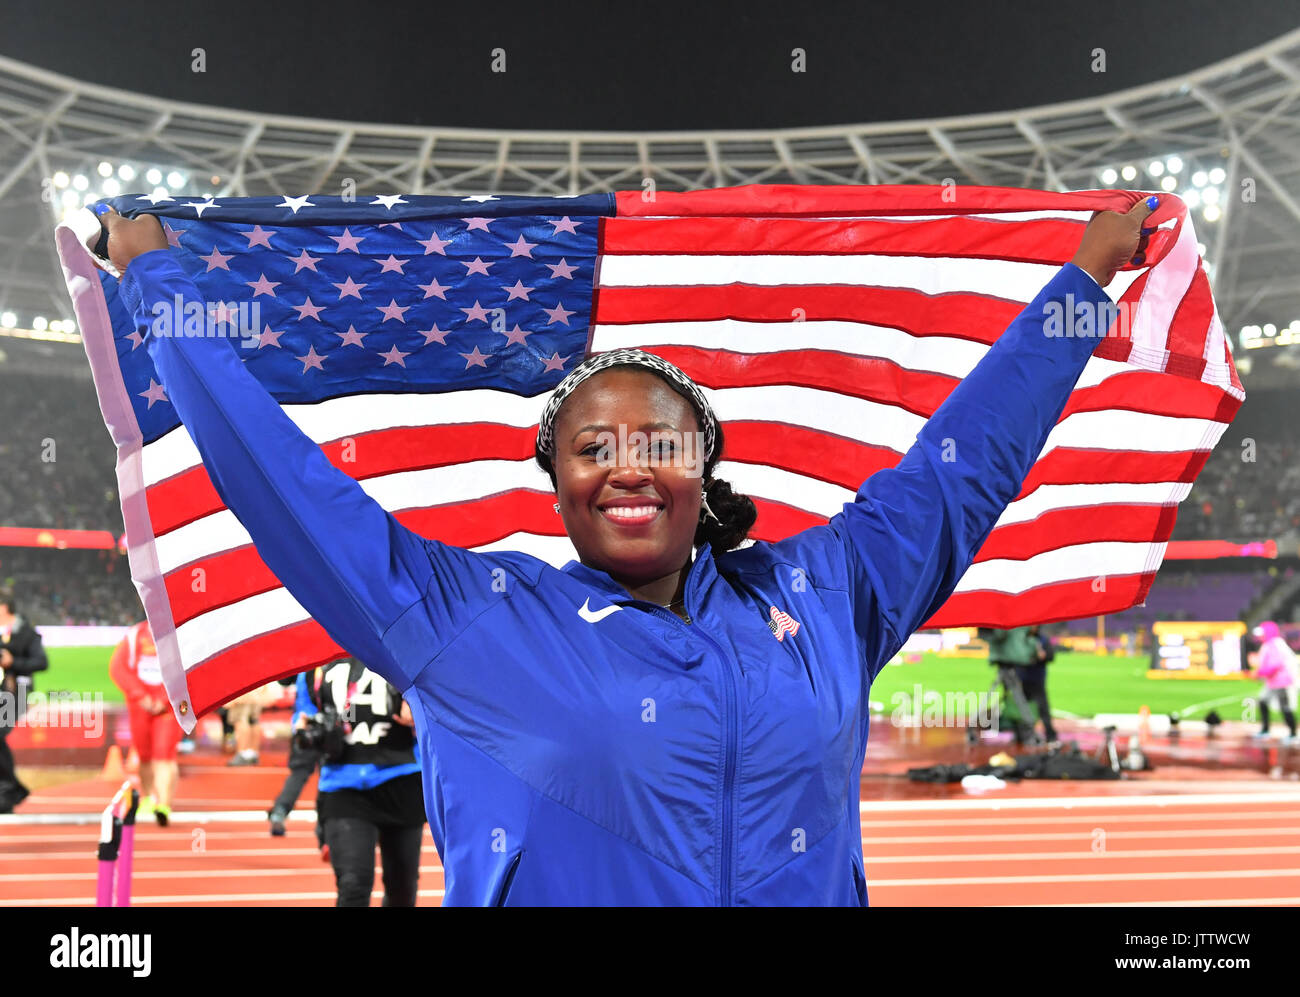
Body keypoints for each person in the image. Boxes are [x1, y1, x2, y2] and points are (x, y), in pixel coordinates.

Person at [96, 194, 1157, 905]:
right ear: (556, 482)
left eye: (660, 441)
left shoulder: (829, 593)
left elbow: (961, 466)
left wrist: (1086, 282)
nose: (627, 466)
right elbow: (272, 468)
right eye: (590, 447)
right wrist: (156, 282)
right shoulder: (466, 619)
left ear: (706, 468)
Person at [295, 658, 424, 906]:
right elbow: (302, 716)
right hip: (344, 786)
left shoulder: (402, 651)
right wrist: (306, 729)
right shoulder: (316, 664)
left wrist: (420, 715)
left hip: (402, 782)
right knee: (353, 886)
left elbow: (440, 706)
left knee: (402, 890)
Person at [108, 619, 183, 824]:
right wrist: (141, 696)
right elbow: (118, 668)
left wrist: (163, 698)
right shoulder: (135, 636)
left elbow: (186, 670)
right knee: (145, 756)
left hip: (168, 706)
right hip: (140, 706)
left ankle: (164, 805)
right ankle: (150, 797)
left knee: (164, 755)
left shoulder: (179, 635)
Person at [0, 587, 48, 812]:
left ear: (3, 607)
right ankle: (11, 789)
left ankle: (9, 790)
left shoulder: (26, 633)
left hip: (16, 694)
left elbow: (41, 662)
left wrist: (13, 662)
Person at [268, 674, 324, 837]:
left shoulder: (303, 660)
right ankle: (324, 824)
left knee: (299, 773)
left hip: (301, 726)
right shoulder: (332, 663)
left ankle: (280, 810)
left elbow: (283, 679)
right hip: (322, 727)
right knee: (328, 774)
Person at [981, 626, 1041, 745]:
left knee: (1013, 696)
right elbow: (1000, 634)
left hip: (1008, 666)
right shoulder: (1016, 632)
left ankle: (1020, 726)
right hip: (1008, 666)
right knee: (1015, 696)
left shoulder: (1019, 633)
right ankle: (1026, 728)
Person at [1249, 621, 1298, 742]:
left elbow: (1276, 664)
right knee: (1263, 702)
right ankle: (1265, 730)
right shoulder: (1269, 645)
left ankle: (1293, 734)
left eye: (1262, 633)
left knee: (1285, 707)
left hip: (1282, 682)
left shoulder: (1275, 644)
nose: (1260, 636)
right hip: (1273, 682)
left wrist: (1259, 673)